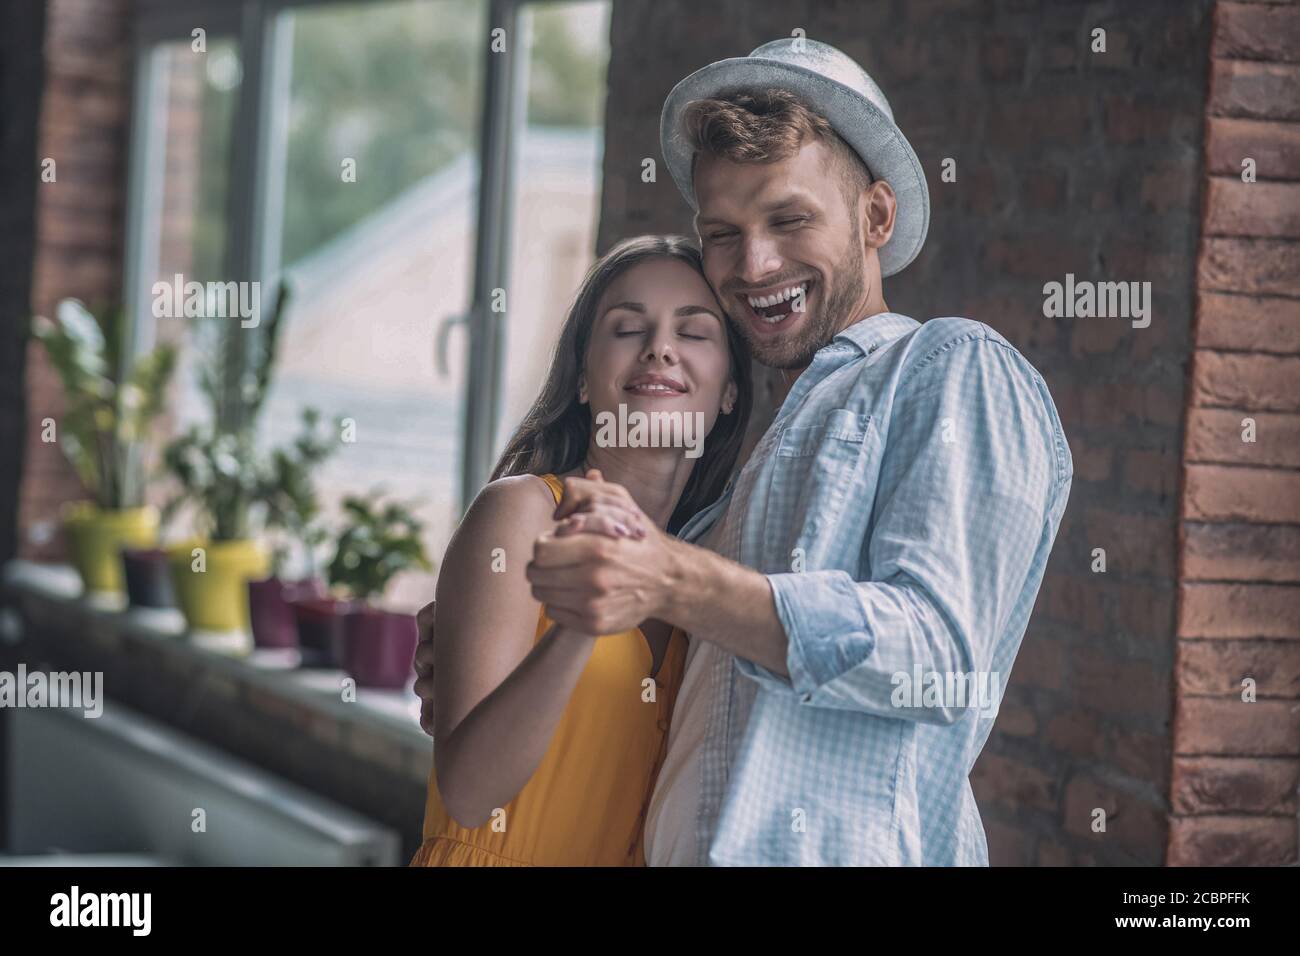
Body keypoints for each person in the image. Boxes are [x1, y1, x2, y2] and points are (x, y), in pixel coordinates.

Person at [417, 38, 1073, 866]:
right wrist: (491, 623)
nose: (754, 263)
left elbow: (941, 661)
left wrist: (670, 578)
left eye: (789, 218)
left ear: (876, 216)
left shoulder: (947, 366)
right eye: (722, 232)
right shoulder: (731, 502)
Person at [408, 235, 751, 866]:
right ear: (585, 377)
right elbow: (469, 791)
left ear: (729, 392)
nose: (661, 347)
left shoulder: (713, 571)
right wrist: (578, 624)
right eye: (628, 327)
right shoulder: (521, 515)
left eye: (694, 333)